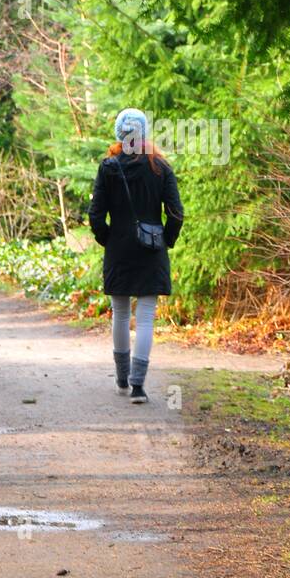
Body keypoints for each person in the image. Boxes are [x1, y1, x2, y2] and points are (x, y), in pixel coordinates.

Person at [88, 109, 184, 403]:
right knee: (144, 318)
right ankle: (139, 386)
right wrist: (165, 240)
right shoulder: (161, 167)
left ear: (119, 135)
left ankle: (121, 380)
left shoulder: (108, 167)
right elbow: (176, 213)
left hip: (119, 249)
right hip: (151, 248)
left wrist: (107, 238)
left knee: (119, 313)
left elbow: (95, 214)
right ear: (143, 134)